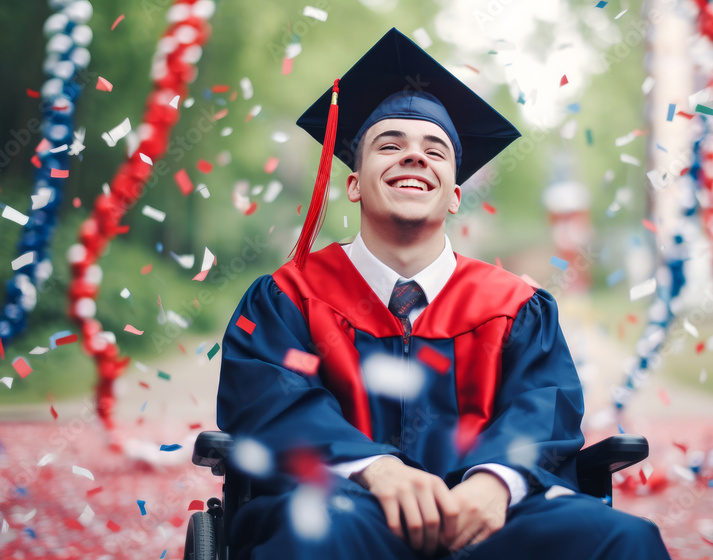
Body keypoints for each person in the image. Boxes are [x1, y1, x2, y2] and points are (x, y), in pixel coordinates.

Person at [217, 28, 671, 560]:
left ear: (455, 195)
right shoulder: (289, 298)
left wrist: (493, 485)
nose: (414, 157)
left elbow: (541, 407)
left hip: (489, 521)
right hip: (348, 513)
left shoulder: (514, 308)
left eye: (435, 150)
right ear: (355, 182)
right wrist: (376, 470)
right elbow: (270, 403)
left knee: (626, 539)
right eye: (390, 145)